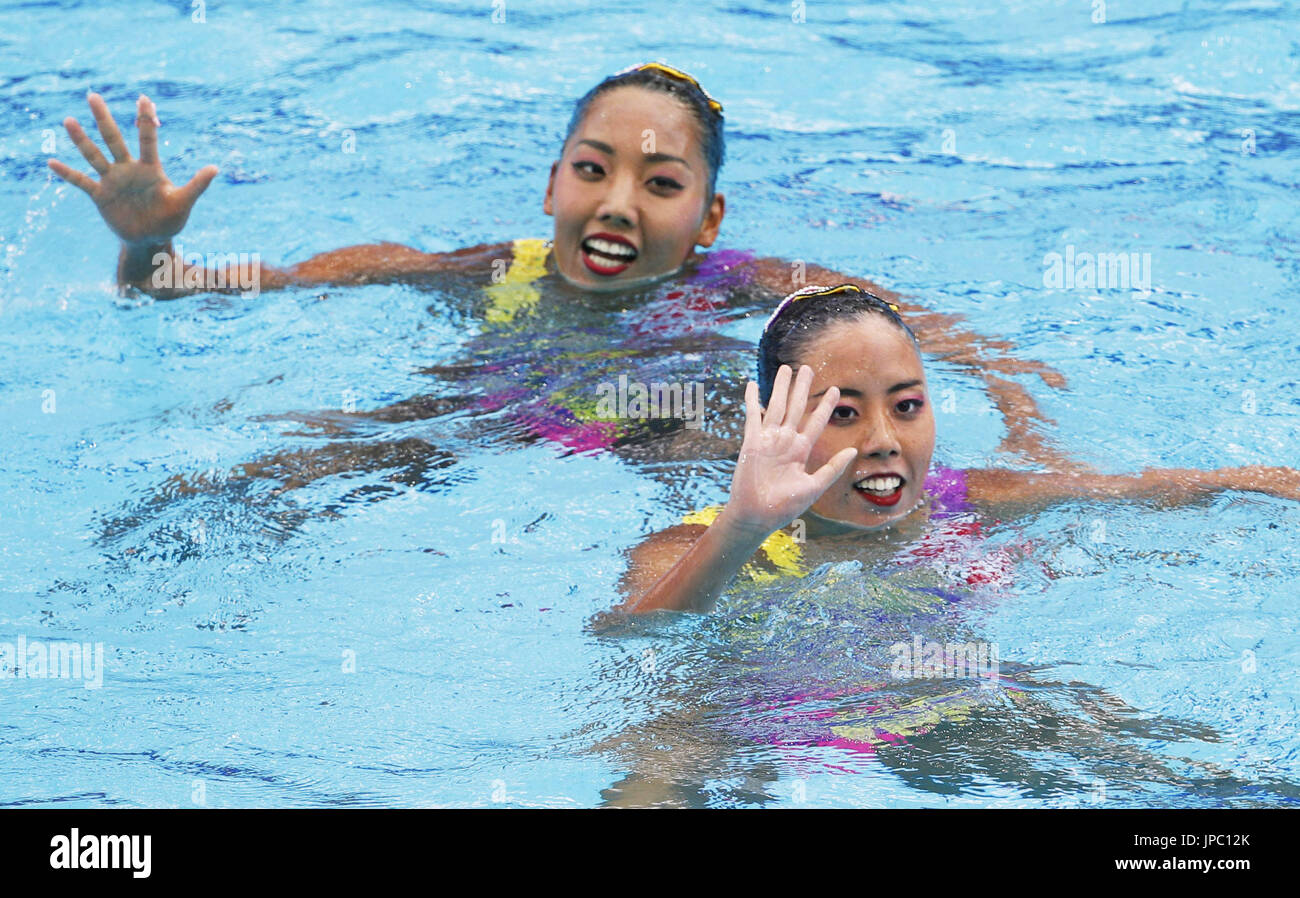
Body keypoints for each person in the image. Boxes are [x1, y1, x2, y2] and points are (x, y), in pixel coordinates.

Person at [48, 64, 1077, 470]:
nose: (619, 201)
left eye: (661, 183)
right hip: (492, 413)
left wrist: (1029, 432)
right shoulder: (478, 267)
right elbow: (183, 292)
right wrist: (146, 245)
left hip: (664, 435)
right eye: (594, 169)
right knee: (297, 462)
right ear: (551, 187)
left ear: (708, 217)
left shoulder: (743, 285)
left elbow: (944, 341)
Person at [617, 284, 1300, 614]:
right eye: (844, 412)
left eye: (907, 405)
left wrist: (1271, 481)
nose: (885, 440)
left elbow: (1135, 490)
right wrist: (743, 526)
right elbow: (629, 637)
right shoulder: (688, 548)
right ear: (771, 423)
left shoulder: (962, 500)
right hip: (779, 737)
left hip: (929, 726)